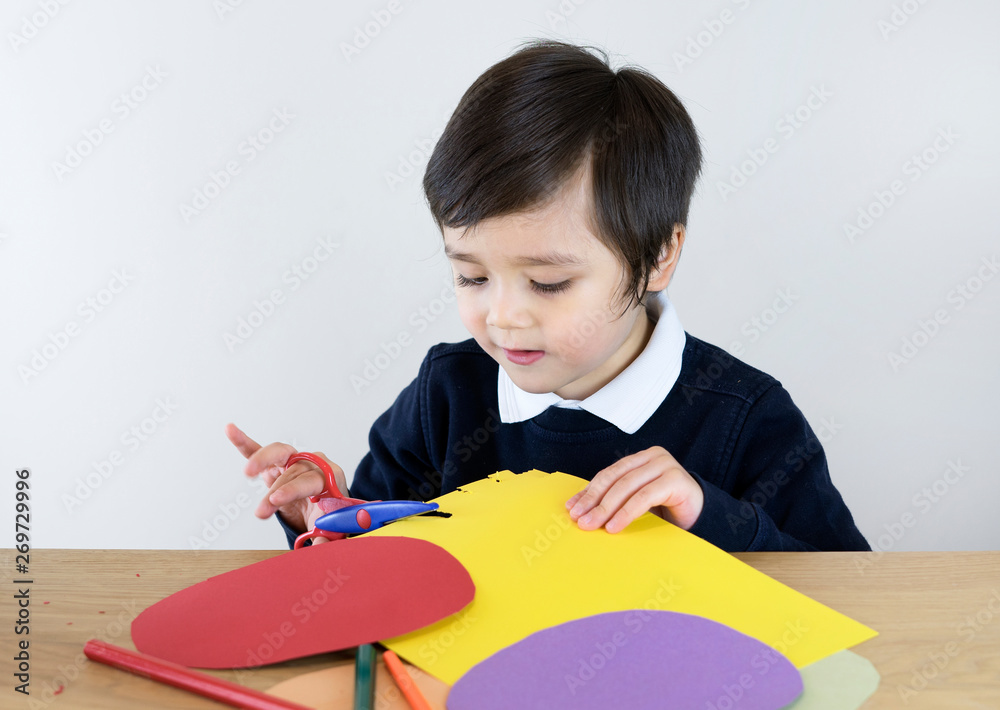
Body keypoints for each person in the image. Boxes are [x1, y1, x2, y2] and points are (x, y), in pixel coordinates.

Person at [226, 39, 869, 552]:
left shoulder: (743, 414)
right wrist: (319, 510)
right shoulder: (446, 397)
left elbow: (855, 595)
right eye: (472, 277)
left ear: (659, 256)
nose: (503, 316)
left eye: (549, 283)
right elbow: (369, 564)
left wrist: (708, 514)